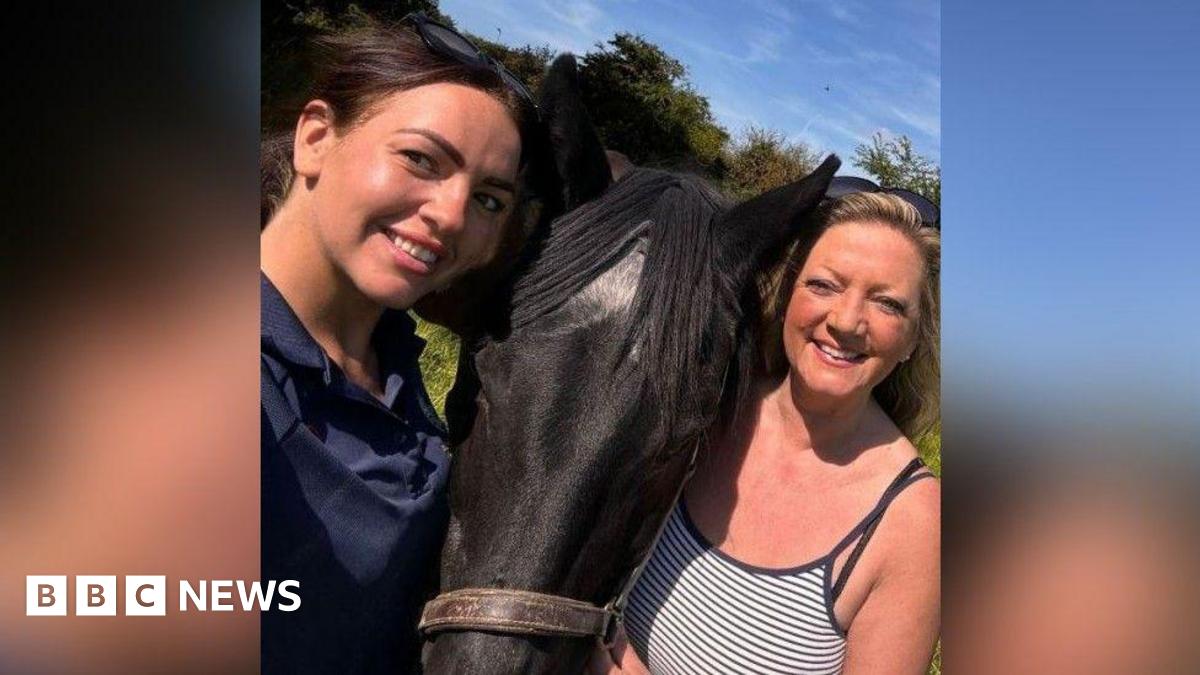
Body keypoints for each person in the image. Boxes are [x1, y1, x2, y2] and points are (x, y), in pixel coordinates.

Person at [259, 15, 538, 674]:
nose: (453, 214)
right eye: (421, 158)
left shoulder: (399, 366)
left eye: (490, 201)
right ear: (316, 137)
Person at [591, 185, 942, 674]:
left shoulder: (912, 521)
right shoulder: (709, 406)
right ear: (789, 295)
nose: (845, 321)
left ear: (912, 338)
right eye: (824, 285)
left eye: (887, 304)